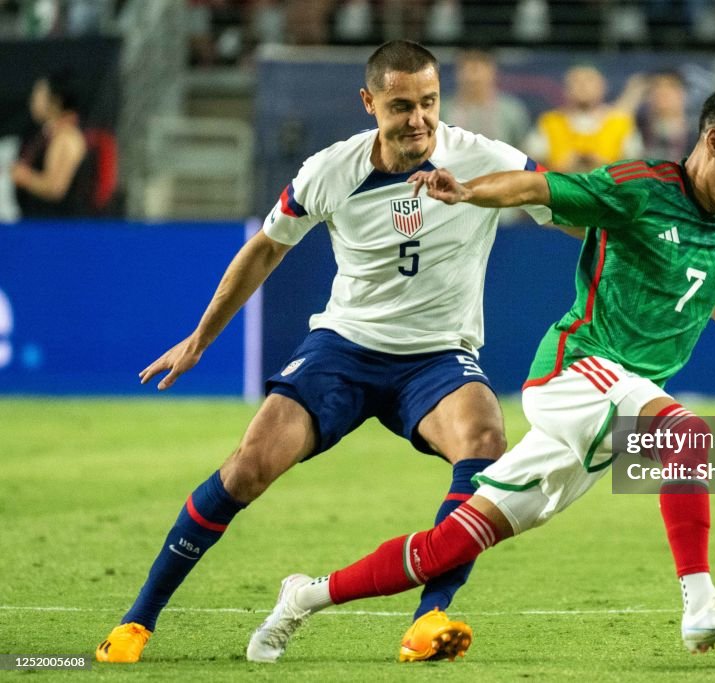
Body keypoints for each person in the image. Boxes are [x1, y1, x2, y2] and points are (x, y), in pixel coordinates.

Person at [246, 85, 715, 662]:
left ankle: (304, 595)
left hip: (619, 403)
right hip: (577, 372)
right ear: (714, 141)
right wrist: (467, 191)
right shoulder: (638, 189)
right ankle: (702, 604)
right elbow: (538, 184)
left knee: (449, 545)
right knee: (685, 436)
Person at [95, 39, 553, 665]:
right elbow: (264, 248)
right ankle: (136, 622)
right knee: (249, 467)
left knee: (484, 443)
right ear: (369, 103)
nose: (418, 119)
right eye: (400, 106)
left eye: (428, 102)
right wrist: (201, 337)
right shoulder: (329, 170)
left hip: (437, 355)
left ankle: (429, 620)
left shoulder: (487, 159)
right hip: (345, 346)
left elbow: (571, 205)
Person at [523, 64, 643, 173]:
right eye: (577, 82)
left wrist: (604, 165)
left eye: (589, 81)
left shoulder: (621, 123)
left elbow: (635, 164)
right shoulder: (550, 122)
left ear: (603, 86)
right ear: (566, 89)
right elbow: (532, 162)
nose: (583, 86)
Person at [11, 73, 92, 217]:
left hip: (58, 228)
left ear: (55, 101)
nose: (32, 101)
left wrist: (24, 176)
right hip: (34, 223)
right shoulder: (46, 133)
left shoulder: (66, 137)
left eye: (38, 95)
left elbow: (55, 188)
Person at [441, 49, 531, 149]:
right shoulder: (442, 109)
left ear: (492, 71)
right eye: (465, 68)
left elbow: (524, 151)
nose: (471, 77)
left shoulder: (511, 110)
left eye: (476, 69)